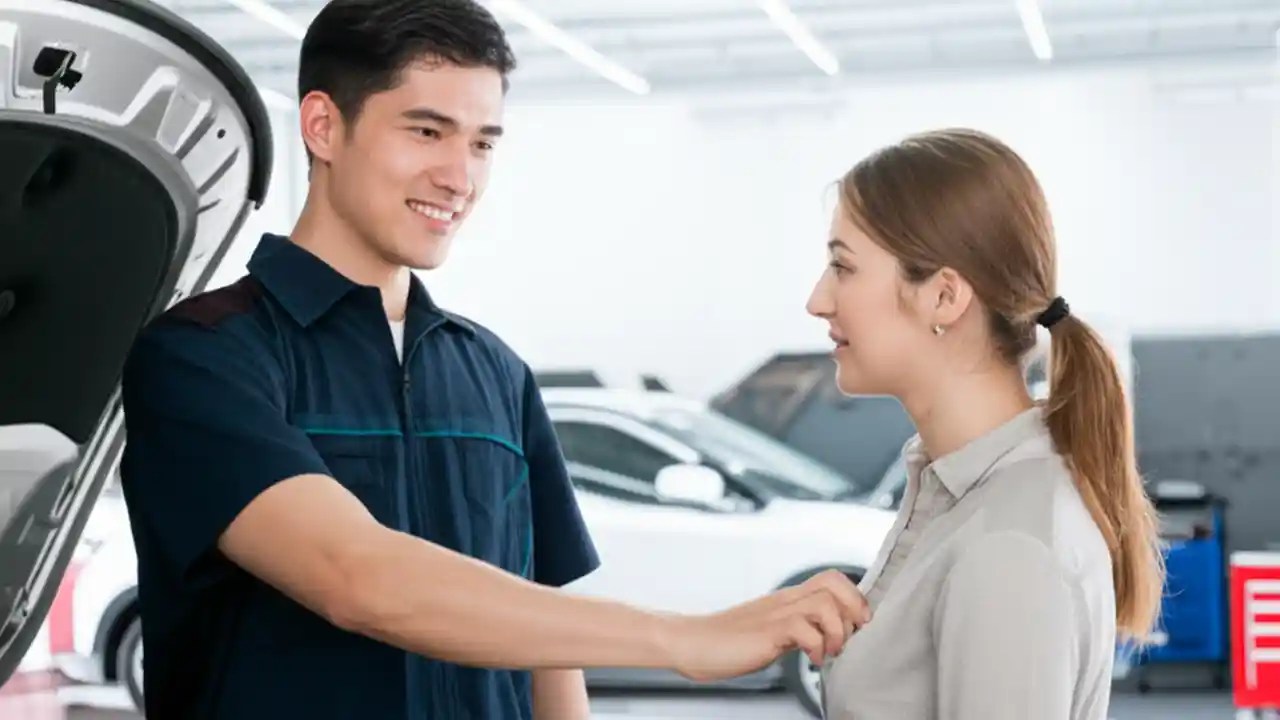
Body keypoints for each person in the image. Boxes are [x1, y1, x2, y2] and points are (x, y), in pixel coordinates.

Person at [116, 1, 869, 719]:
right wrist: (683, 637)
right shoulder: (202, 359)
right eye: (426, 131)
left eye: (481, 142)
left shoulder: (496, 376)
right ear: (322, 126)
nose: (460, 176)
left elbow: (547, 643)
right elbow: (359, 577)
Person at [807, 128, 1166, 720]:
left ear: (944, 298)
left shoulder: (1008, 547)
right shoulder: (958, 492)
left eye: (842, 268)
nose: (818, 300)